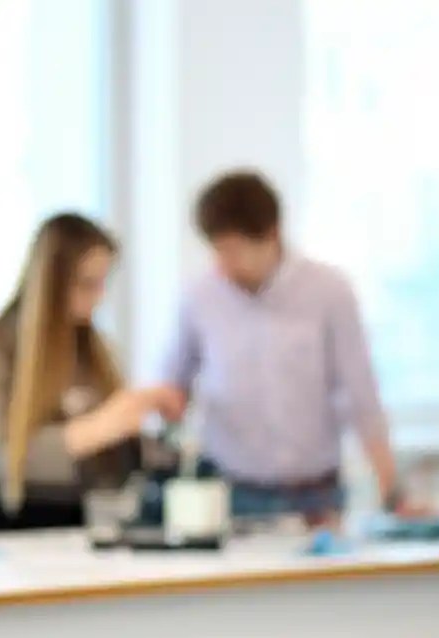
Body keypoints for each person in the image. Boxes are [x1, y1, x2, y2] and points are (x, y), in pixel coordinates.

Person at [158, 169, 410, 528]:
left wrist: (390, 486)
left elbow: (360, 391)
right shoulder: (199, 296)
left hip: (317, 494)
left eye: (234, 250)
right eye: (216, 250)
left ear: (272, 234)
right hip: (232, 490)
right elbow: (172, 384)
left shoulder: (329, 290)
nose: (223, 265)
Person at [0, 213, 173, 532]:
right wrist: (98, 427)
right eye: (87, 284)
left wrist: (147, 431)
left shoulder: (96, 352)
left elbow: (113, 467)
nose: (99, 297)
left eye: (103, 282)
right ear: (53, 281)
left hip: (71, 528)